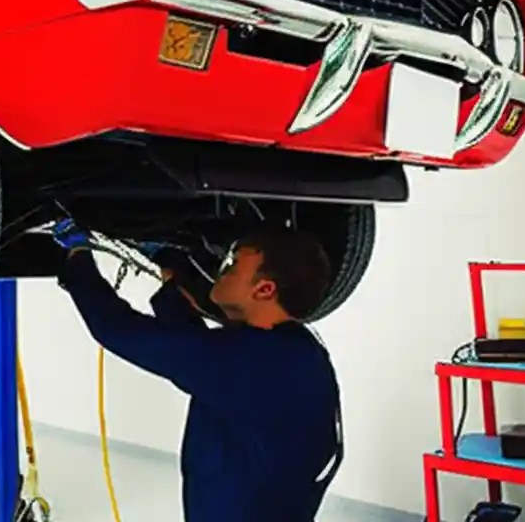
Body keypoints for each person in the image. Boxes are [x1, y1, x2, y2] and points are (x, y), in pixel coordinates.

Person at [49, 218, 343, 522]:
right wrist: (170, 277)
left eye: (232, 266)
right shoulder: (297, 351)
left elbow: (116, 329)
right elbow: (198, 353)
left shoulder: (244, 362)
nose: (222, 270)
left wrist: (76, 256)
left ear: (265, 289)